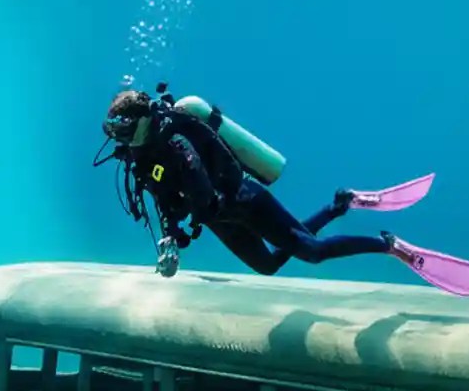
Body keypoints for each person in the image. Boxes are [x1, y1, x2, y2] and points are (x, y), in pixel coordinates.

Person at [98, 87, 398, 278]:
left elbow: (210, 168)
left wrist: (209, 205)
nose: (119, 139)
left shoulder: (177, 136)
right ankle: (336, 207)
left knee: (312, 252)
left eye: (123, 129)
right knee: (268, 266)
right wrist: (170, 239)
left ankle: (388, 245)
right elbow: (163, 198)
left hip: (243, 199)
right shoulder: (142, 156)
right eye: (114, 131)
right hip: (220, 218)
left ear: (145, 120)